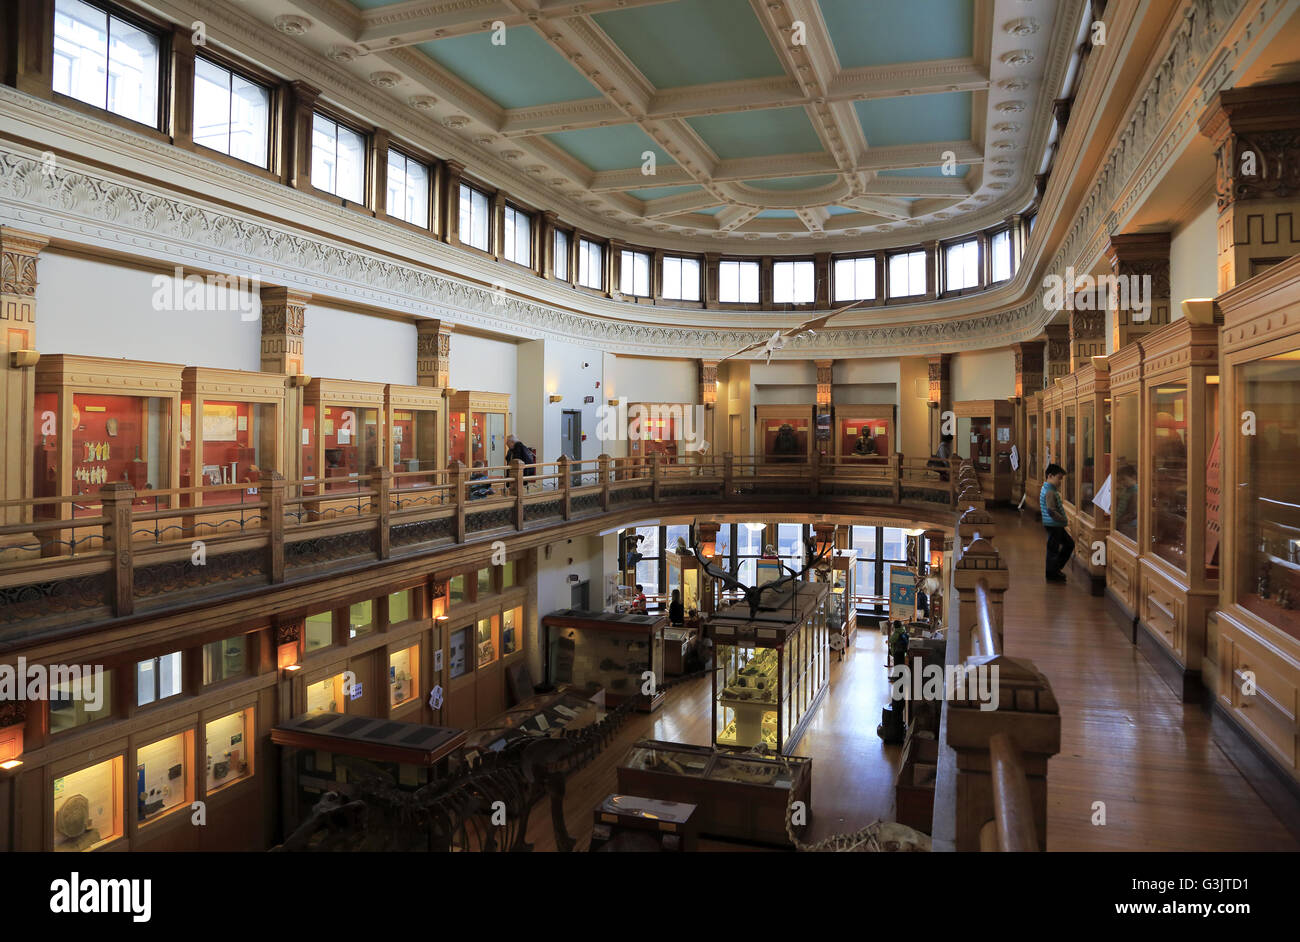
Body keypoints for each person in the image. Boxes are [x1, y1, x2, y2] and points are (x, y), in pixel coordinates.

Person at [1040, 463, 1074, 582]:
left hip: (1053, 524)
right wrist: (1063, 519)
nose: (1060, 481)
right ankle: (1053, 572)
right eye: (1059, 478)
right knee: (1056, 548)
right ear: (1050, 476)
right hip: (1054, 524)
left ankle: (1054, 570)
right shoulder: (1050, 491)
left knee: (1063, 545)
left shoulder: (1049, 489)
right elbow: (1051, 510)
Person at [1114, 464, 1138, 535]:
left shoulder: (1135, 492)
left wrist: (1118, 521)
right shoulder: (1127, 490)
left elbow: (1133, 513)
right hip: (1122, 523)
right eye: (1119, 480)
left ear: (1133, 477)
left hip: (1129, 526)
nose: (1122, 482)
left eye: (1123, 479)